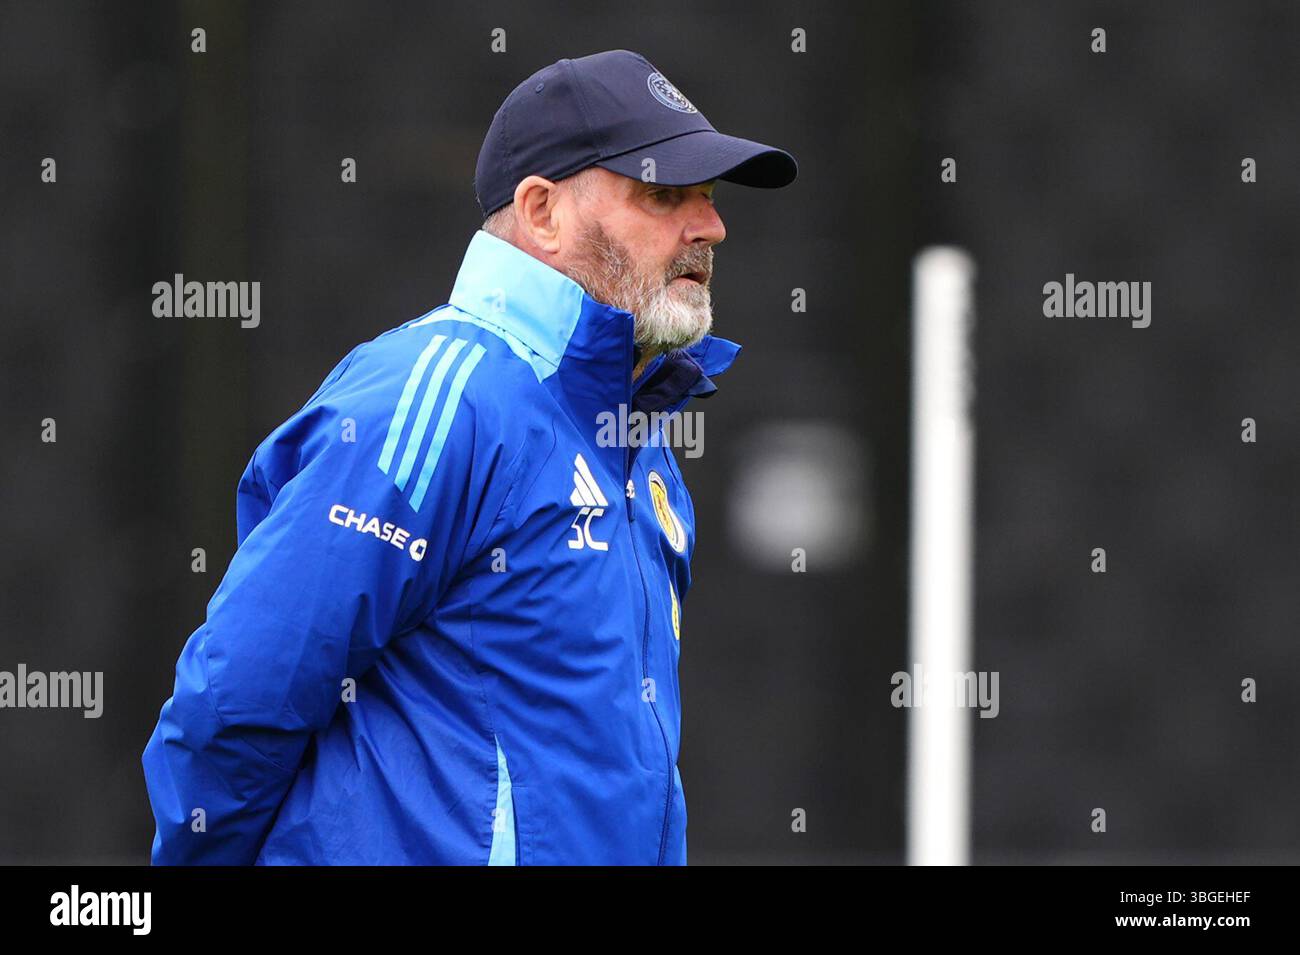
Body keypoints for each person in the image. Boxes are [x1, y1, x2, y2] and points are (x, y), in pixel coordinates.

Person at [142, 48, 796, 865]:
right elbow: (239, 696)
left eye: (707, 196)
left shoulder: (639, 436)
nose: (709, 225)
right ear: (542, 211)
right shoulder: (437, 395)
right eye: (664, 194)